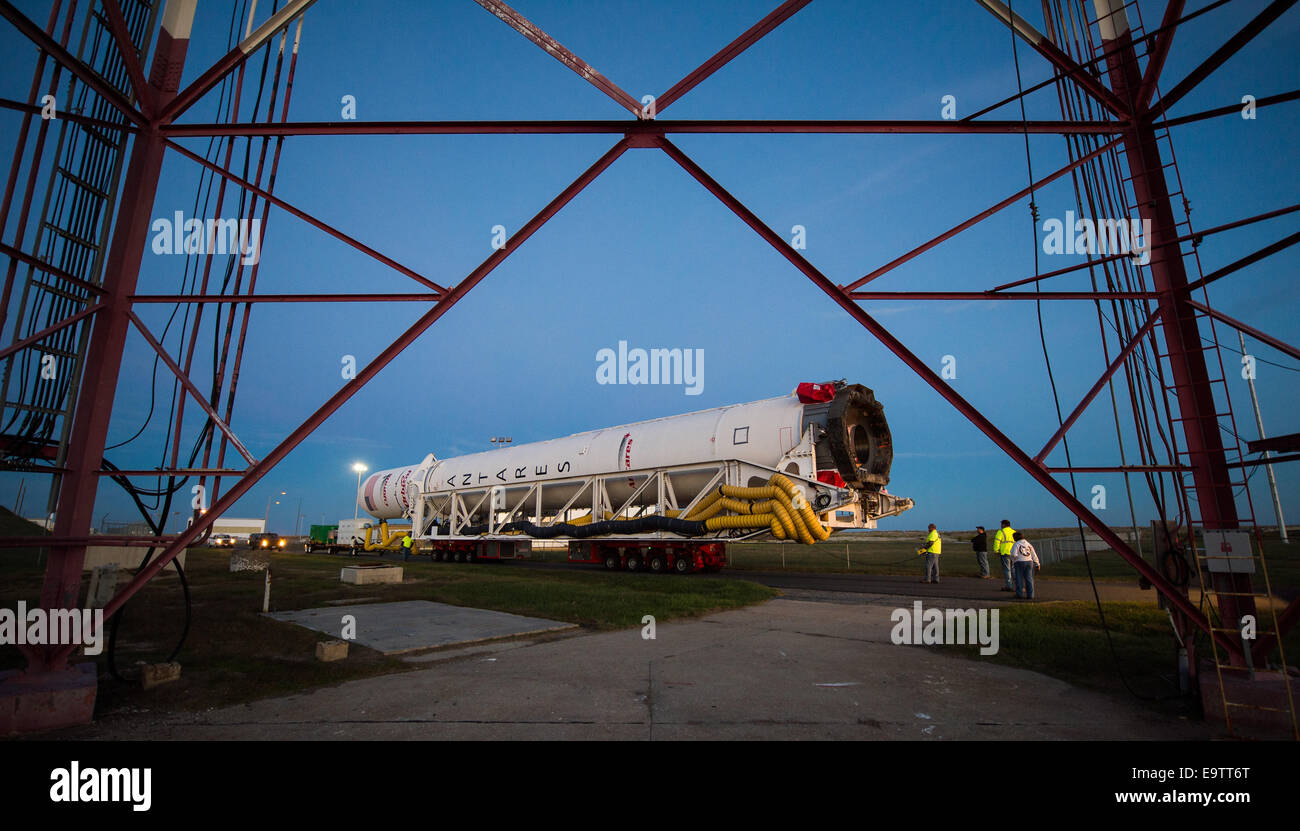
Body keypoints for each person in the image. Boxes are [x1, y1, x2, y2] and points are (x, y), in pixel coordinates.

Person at [1010, 531, 1041, 599]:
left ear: (1015, 538)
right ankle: (1030, 595)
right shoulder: (1028, 544)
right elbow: (1034, 554)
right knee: (1029, 579)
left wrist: (1013, 561)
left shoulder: (1016, 544)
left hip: (1019, 562)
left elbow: (1013, 554)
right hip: (1029, 562)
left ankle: (1019, 594)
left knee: (1019, 579)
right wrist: (1037, 563)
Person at [993, 519, 1017, 592]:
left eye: (1001, 524)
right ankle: (1018, 585)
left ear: (1003, 525)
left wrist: (996, 550)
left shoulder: (1001, 532)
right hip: (1014, 553)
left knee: (1007, 570)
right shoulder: (1014, 532)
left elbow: (997, 541)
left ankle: (1009, 586)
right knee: (1014, 570)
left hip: (1005, 552)